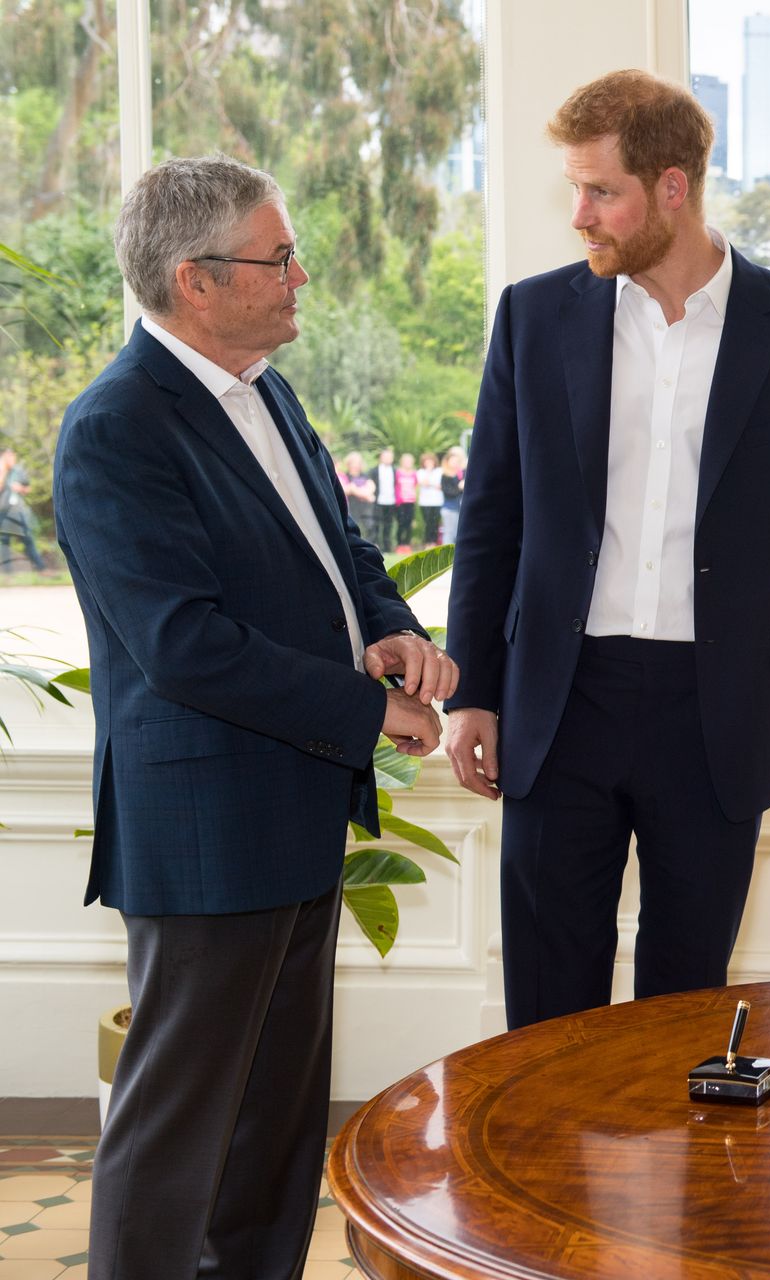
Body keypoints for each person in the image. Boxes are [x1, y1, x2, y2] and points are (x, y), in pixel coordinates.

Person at [443, 70, 770, 1027]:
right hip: (557, 707)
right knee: (547, 1004)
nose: (580, 215)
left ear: (674, 186)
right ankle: (541, 1180)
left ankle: (676, 1179)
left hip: (715, 715)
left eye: (601, 190)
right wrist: (474, 687)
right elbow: (494, 513)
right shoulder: (533, 317)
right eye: (576, 189)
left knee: (683, 1002)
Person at [53, 154, 458, 1279]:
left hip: (293, 807)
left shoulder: (266, 391)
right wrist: (367, 707)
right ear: (197, 279)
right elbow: (183, 644)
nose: (301, 275)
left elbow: (339, 548)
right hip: (204, 825)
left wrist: (390, 629)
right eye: (277, 259)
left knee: (277, 1123)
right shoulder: (116, 428)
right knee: (177, 1128)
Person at [0, 446, 46, 571]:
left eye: (13, 456)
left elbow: (28, 488)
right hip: (3, 511)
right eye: (9, 456)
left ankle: (40, 568)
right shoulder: (2, 471)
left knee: (27, 538)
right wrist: (3, 469)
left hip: (18, 510)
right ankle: (7, 572)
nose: (12, 459)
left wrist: (20, 488)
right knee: (4, 541)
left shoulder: (18, 471)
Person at [338, 449, 377, 535]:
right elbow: (347, 489)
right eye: (353, 462)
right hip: (352, 508)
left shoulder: (365, 476)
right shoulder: (345, 476)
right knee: (352, 528)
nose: (356, 465)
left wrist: (356, 490)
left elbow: (372, 487)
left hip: (366, 509)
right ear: (348, 464)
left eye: (358, 462)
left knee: (370, 527)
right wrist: (366, 495)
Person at [372, 445, 398, 550]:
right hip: (378, 501)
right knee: (377, 524)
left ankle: (387, 547)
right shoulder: (374, 471)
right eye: (386, 457)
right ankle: (377, 545)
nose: (388, 459)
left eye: (390, 457)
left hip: (391, 501)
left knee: (388, 525)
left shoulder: (395, 471)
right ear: (381, 458)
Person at [438, 444, 466, 543]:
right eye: (453, 460)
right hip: (450, 508)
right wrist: (459, 487)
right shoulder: (445, 476)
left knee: (457, 533)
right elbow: (448, 492)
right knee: (450, 533)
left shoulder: (461, 474)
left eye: (457, 461)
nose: (455, 463)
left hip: (459, 508)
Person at [416, 450, 445, 544]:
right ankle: (428, 542)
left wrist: (431, 484)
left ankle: (434, 542)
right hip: (425, 502)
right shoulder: (420, 472)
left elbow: (441, 485)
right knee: (428, 522)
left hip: (437, 501)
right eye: (427, 462)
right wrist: (429, 473)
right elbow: (424, 483)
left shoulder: (440, 471)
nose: (429, 464)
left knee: (435, 523)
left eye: (431, 461)